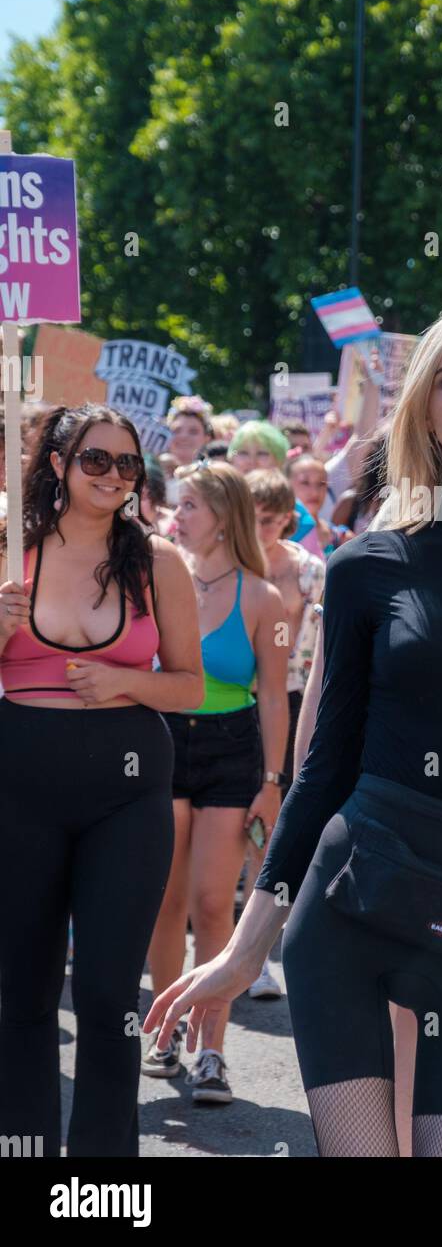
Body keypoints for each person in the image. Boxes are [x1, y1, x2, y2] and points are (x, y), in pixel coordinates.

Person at [144, 293, 442, 1158]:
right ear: (427, 414)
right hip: (349, 910)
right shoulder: (370, 566)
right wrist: (243, 954)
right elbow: (324, 770)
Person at [0, 403, 203, 1157]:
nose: (114, 477)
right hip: (18, 782)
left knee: (110, 997)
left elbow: (191, 686)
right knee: (21, 993)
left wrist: (126, 685)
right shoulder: (7, 550)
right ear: (56, 464)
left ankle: (100, 1189)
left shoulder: (158, 560)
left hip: (127, 790)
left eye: (127, 465)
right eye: (95, 460)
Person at [142, 460, 288, 1103]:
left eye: (191, 505)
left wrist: (273, 780)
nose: (178, 516)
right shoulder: (153, 579)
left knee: (211, 902)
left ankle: (212, 1051)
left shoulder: (264, 597)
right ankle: (164, 1032)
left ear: (223, 513)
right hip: (164, 741)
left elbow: (275, 699)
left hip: (234, 753)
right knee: (166, 901)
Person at [242, 467, 325, 998]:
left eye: (269, 520)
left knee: (287, 814)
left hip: (293, 698)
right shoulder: (232, 566)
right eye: (250, 519)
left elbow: (319, 648)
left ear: (288, 520)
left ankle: (280, 943)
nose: (260, 529)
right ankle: (250, 949)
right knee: (248, 819)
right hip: (241, 697)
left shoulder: (310, 571)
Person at [288, 453, 354, 558]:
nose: (314, 492)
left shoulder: (343, 539)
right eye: (305, 483)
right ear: (287, 485)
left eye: (321, 484)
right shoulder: (273, 536)